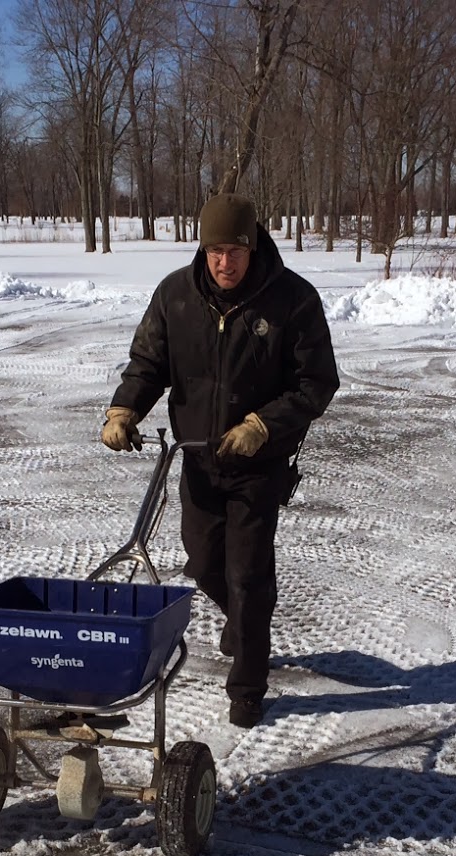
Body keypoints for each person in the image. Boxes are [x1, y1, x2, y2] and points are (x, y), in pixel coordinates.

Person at [101, 193, 339, 728]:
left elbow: (316, 383)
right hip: (198, 458)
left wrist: (261, 426)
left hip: (259, 462)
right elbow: (148, 363)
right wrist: (124, 410)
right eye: (214, 251)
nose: (223, 263)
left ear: (252, 247)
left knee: (248, 574)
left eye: (234, 251)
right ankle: (243, 620)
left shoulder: (292, 300)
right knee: (204, 562)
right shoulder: (176, 296)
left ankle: (248, 686)